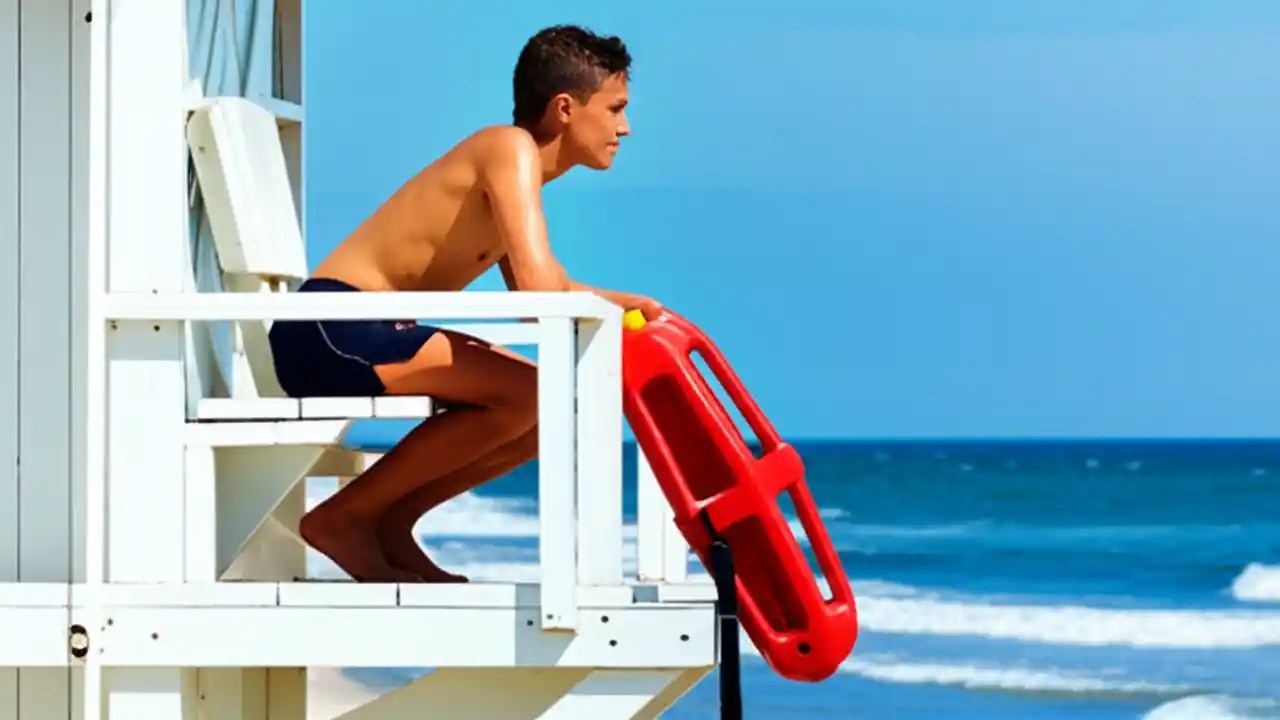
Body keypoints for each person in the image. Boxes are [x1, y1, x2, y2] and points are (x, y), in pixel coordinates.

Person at [268, 25, 662, 583]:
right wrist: (608, 307)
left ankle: (391, 521)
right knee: (532, 393)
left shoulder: (517, 168)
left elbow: (550, 284)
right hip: (331, 326)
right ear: (565, 108)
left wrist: (638, 305)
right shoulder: (509, 149)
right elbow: (537, 296)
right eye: (616, 108)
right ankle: (344, 518)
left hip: (364, 328)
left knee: (551, 411)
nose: (625, 128)